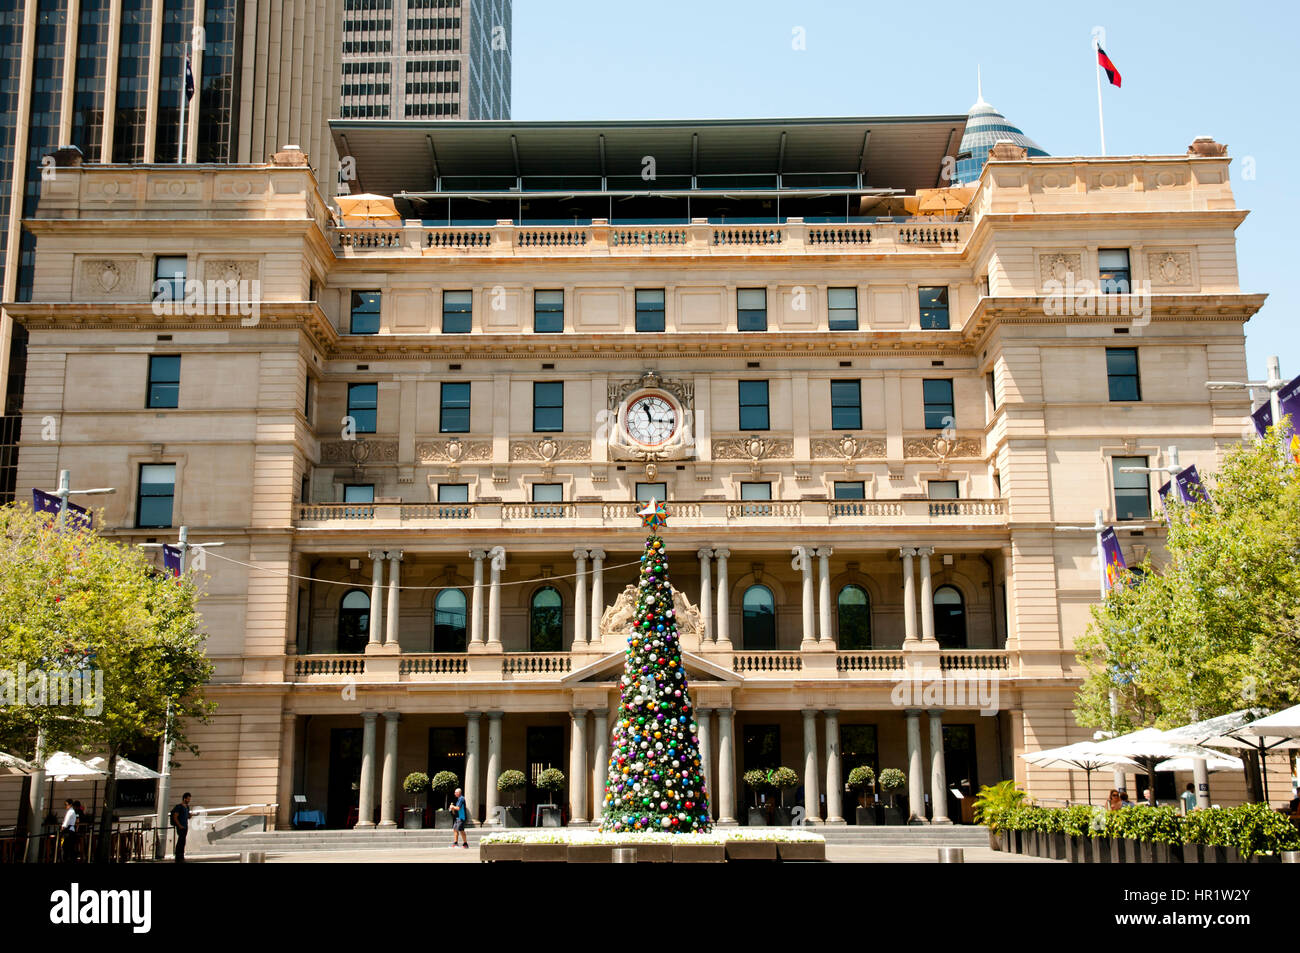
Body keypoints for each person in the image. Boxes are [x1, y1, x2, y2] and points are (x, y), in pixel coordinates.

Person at [169, 792, 192, 863]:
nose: (189, 800)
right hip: (181, 826)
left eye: (189, 799)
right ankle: (178, 855)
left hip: (185, 826)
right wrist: (179, 825)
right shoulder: (179, 806)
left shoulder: (187, 807)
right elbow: (175, 817)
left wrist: (191, 815)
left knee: (183, 841)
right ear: (184, 798)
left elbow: (188, 816)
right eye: (188, 799)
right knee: (180, 841)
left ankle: (181, 855)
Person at [60, 799, 79, 863]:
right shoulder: (71, 811)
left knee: (65, 848)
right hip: (70, 831)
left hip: (68, 832)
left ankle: (65, 860)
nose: (65, 806)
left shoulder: (70, 812)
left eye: (66, 805)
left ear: (70, 805)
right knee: (70, 848)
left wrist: (62, 828)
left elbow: (66, 822)